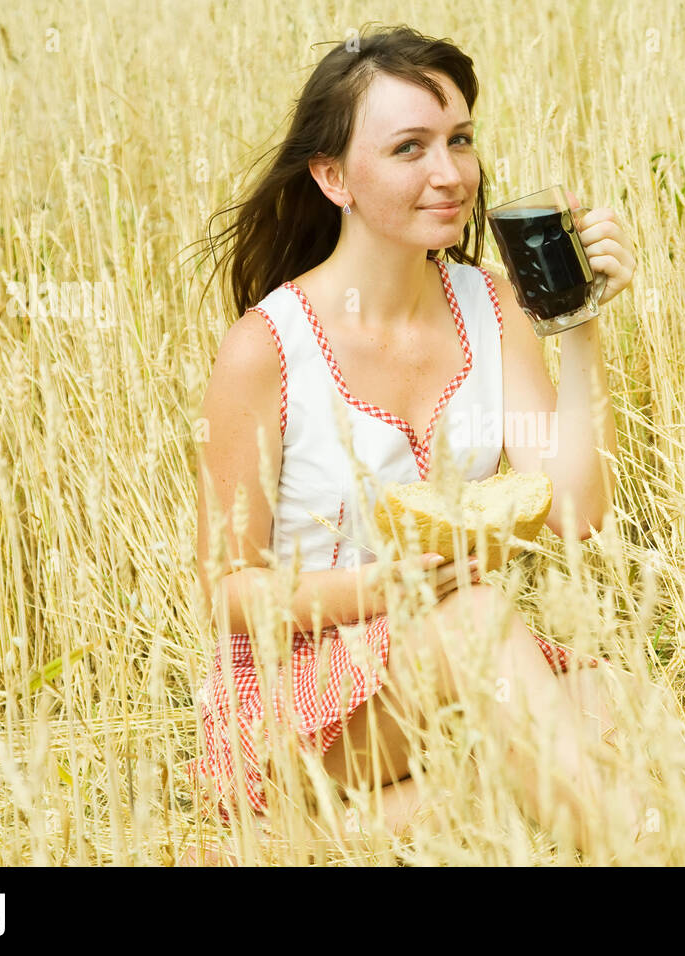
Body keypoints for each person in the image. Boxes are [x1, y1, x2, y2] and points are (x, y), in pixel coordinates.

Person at [183, 24, 659, 864]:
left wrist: (576, 324)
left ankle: (332, 834)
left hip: (441, 662)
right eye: (410, 148)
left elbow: (576, 510)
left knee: (622, 713)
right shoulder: (267, 348)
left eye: (461, 139)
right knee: (481, 627)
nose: (452, 175)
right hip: (297, 696)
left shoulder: (497, 305)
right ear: (333, 178)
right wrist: (387, 587)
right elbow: (226, 588)